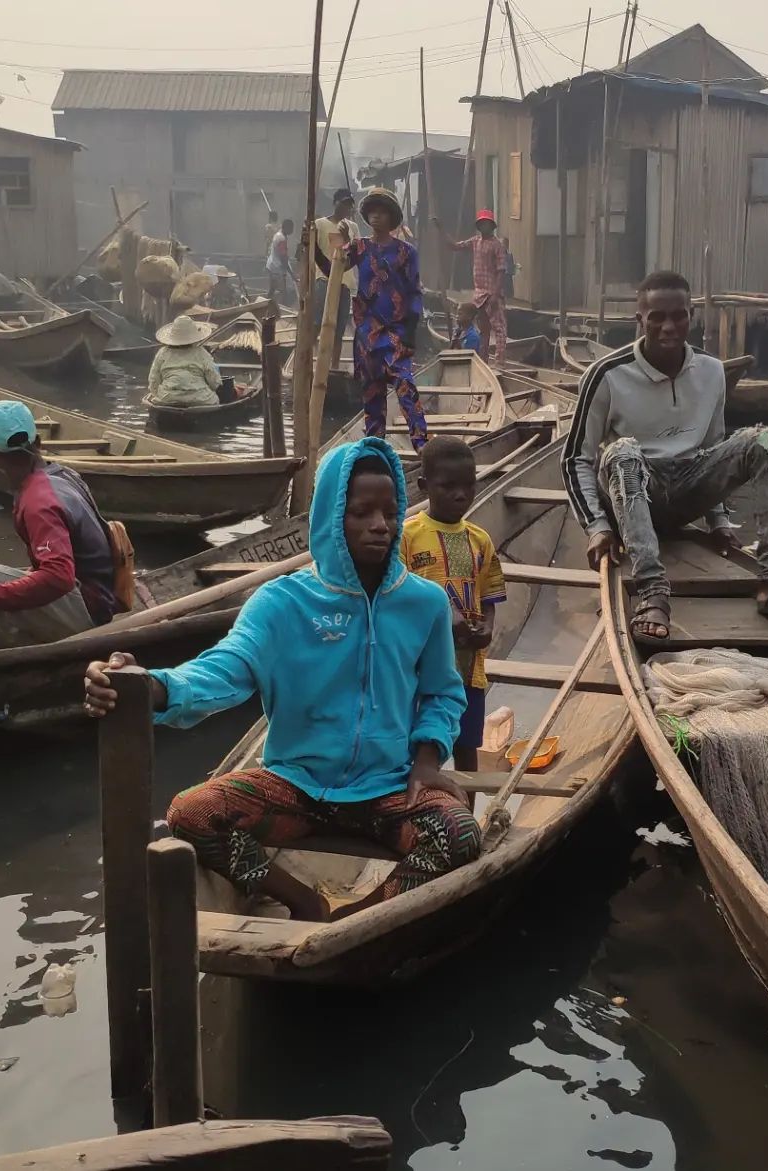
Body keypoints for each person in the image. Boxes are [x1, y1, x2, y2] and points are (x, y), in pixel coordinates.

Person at [82, 439, 478, 922]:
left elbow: (443, 691)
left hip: (387, 787)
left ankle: (361, 917)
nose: (380, 525)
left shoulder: (424, 602)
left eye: (389, 512)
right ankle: (303, 900)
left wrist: (428, 759)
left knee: (460, 833)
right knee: (190, 815)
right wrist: (151, 685)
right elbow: (227, 667)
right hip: (297, 787)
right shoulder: (282, 601)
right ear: (334, 517)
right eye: (361, 513)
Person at [562, 270, 768, 644]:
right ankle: (652, 589)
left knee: (765, 440)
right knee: (622, 452)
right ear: (640, 320)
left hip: (687, 486)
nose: (669, 326)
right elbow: (575, 459)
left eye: (678, 316)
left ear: (691, 316)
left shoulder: (712, 371)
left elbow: (713, 447)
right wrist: (596, 527)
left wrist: (719, 522)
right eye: (657, 318)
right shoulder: (605, 374)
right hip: (631, 492)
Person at [0, 401, 118, 652]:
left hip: (88, 610)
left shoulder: (38, 500)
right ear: (39, 442)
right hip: (100, 597)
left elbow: (58, 577)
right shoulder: (65, 475)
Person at [401, 437, 506, 770]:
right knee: (418, 742)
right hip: (418, 664)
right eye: (448, 486)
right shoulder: (408, 535)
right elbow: (398, 592)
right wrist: (443, 615)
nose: (461, 495)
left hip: (467, 665)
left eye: (468, 486)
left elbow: (490, 592)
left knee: (466, 744)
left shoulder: (479, 539)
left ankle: (466, 817)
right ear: (423, 486)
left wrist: (487, 627)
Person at [337, 187, 430, 449]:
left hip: (396, 332)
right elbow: (335, 266)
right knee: (372, 396)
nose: (376, 216)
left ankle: (421, 444)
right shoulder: (359, 247)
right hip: (367, 334)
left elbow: (414, 291)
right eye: (372, 212)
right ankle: (375, 450)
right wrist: (340, 241)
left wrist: (411, 332)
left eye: (382, 212)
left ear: (391, 217)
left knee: (405, 387)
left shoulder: (406, 252)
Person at [438, 209, 508, 363]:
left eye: (486, 224)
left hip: (492, 293)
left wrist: (496, 295)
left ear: (491, 226)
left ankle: (500, 362)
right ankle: (483, 361)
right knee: (484, 331)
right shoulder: (475, 241)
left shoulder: (497, 245)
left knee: (499, 329)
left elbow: (501, 271)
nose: (484, 227)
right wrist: (441, 230)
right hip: (479, 295)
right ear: (479, 226)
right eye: (481, 224)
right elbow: (455, 246)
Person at [313, 188, 358, 347]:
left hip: (345, 282)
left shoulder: (352, 227)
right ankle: (312, 358)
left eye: (349, 205)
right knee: (318, 323)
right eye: (343, 203)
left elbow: (354, 253)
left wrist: (347, 238)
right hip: (323, 280)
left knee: (339, 329)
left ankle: (335, 365)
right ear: (334, 203)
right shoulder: (320, 224)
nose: (346, 208)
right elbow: (311, 252)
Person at [146, 315, 222, 409]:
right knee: (216, 400)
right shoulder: (201, 353)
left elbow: (153, 381)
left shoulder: (162, 353)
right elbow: (214, 382)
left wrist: (158, 395)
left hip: (167, 399)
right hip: (200, 400)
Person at [266, 217, 297, 308]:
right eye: (291, 228)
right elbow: (283, 258)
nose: (292, 230)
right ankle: (283, 308)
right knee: (285, 291)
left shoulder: (278, 234)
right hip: (277, 268)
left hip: (272, 265)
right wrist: (291, 274)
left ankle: (266, 305)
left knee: (272, 289)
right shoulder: (282, 239)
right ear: (286, 227)